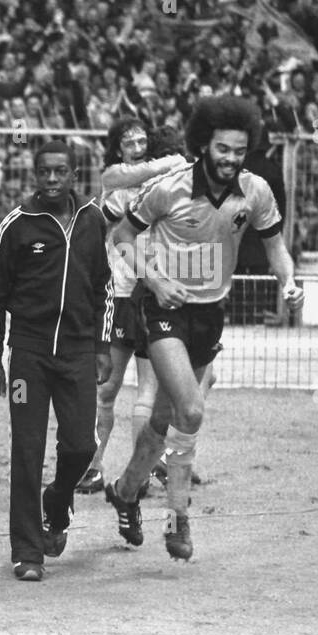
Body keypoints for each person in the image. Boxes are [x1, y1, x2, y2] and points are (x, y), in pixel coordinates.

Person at [104, 96, 303, 561]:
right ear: (203, 145)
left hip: (210, 314)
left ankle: (127, 489)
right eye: (222, 148)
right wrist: (155, 278)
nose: (231, 157)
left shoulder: (255, 192)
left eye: (239, 149)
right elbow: (122, 237)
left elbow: (277, 248)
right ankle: (177, 518)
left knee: (161, 420)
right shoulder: (168, 188)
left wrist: (290, 281)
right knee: (190, 412)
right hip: (163, 308)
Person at [0, 140, 114, 581]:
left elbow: (103, 287)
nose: (52, 180)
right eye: (44, 173)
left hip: (78, 353)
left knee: (82, 446)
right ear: (35, 175)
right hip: (29, 356)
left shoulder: (92, 221)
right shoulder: (17, 225)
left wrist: (101, 346)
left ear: (75, 175)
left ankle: (56, 502)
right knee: (27, 448)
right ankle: (27, 551)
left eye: (61, 172)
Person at [76, 119, 184, 495]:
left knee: (149, 391)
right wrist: (178, 160)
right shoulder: (117, 179)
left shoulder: (161, 187)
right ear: (118, 147)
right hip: (119, 293)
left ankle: (148, 467)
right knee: (107, 388)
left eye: (143, 138)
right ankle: (92, 465)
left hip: (150, 292)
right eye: (129, 139)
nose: (137, 143)